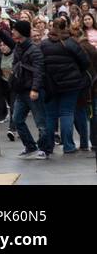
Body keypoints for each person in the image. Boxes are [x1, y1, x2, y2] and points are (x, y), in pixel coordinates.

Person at [39, 15, 91, 156]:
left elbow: (39, 64)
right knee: (67, 113)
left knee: (50, 116)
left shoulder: (43, 44)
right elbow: (85, 62)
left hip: (50, 85)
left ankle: (48, 147)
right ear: (65, 27)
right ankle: (68, 145)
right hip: (71, 84)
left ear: (52, 28)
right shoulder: (71, 43)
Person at [9, 20, 49, 158]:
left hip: (32, 90)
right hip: (21, 90)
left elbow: (39, 71)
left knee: (41, 122)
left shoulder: (34, 49)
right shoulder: (18, 47)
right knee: (17, 119)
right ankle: (30, 146)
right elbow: (15, 64)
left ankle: (45, 148)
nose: (13, 32)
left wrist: (35, 89)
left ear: (22, 32)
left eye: (15, 29)